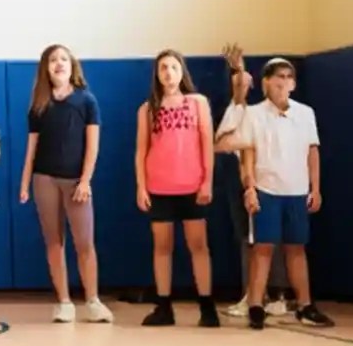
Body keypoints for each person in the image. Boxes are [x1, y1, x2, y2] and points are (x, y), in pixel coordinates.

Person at [234, 58, 334, 329]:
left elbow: (312, 152)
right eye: (278, 76)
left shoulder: (305, 114)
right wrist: (250, 188)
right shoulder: (253, 114)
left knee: (296, 249)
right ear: (266, 81)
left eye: (289, 76)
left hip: (297, 191)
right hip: (267, 190)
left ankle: (305, 305)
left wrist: (315, 188)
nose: (283, 81)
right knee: (263, 249)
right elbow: (247, 155)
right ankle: (255, 305)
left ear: (294, 83)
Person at [18, 44, 114, 324]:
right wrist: (25, 183)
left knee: (84, 242)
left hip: (75, 181)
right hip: (44, 179)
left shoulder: (86, 101)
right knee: (54, 241)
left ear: (72, 65)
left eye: (63, 59)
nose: (58, 63)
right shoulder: (38, 106)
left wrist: (85, 180)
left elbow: (92, 146)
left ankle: (93, 300)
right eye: (52, 60)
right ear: (45, 68)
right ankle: (63, 301)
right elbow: (31, 148)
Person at [133, 50, 219, 327]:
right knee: (162, 246)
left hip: (192, 186)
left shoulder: (197, 103)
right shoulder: (147, 109)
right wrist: (142, 187)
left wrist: (206, 181)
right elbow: (141, 151)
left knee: (198, 245)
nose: (168, 73)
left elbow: (207, 144)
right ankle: (163, 306)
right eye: (163, 68)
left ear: (182, 71)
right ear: (157, 75)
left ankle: (207, 306)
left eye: (173, 67)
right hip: (160, 187)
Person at [214, 44, 290, 317]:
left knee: (270, 238)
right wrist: (237, 70)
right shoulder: (235, 112)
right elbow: (221, 143)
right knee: (247, 238)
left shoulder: (263, 113)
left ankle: (278, 294)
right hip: (239, 181)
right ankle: (253, 294)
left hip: (266, 180)